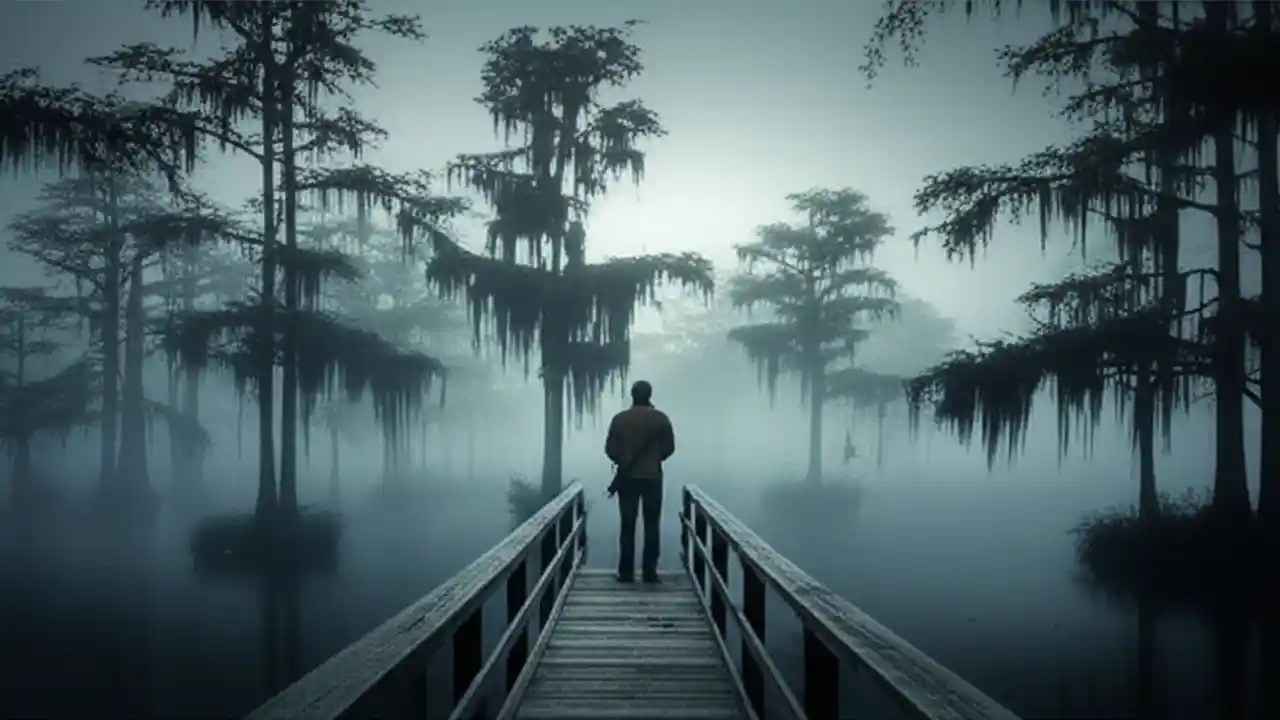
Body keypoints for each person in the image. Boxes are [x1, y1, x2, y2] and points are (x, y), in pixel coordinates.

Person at [604, 380, 675, 583]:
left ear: (632, 395)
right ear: (649, 395)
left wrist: (623, 461)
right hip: (652, 477)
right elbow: (669, 448)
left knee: (627, 524)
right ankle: (649, 572)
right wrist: (654, 459)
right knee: (652, 525)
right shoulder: (661, 419)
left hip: (627, 479)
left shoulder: (620, 419)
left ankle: (626, 572)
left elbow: (610, 449)